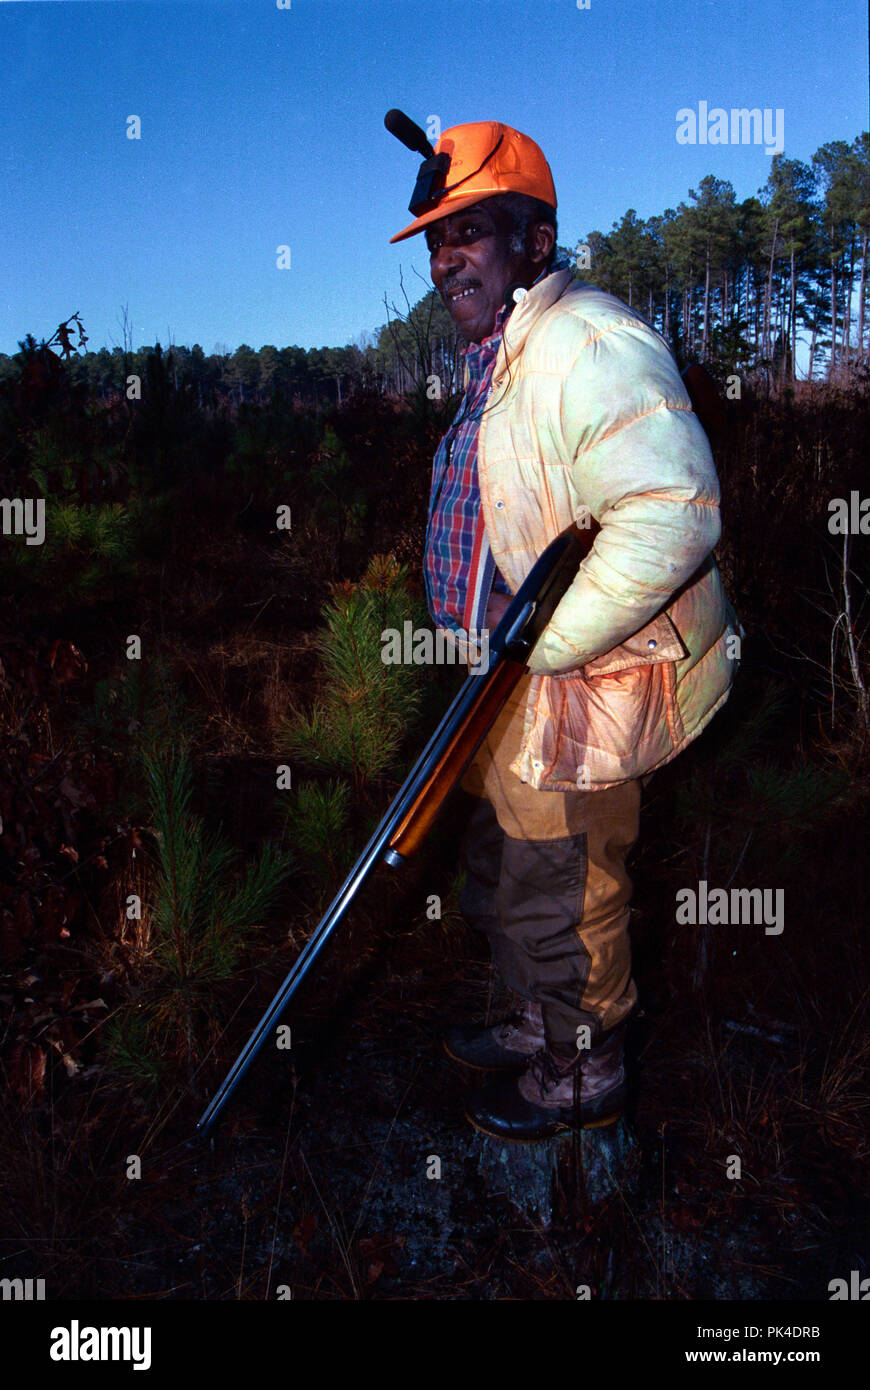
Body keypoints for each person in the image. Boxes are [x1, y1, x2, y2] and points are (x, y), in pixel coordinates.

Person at [387, 119, 739, 1142]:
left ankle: (584, 1068)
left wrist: (546, 645)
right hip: (499, 685)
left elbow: (677, 507)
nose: (448, 258)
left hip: (577, 686)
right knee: (502, 869)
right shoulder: (504, 356)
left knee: (567, 892)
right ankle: (531, 1018)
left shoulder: (588, 340)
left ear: (534, 245)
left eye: (473, 232)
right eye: (438, 241)